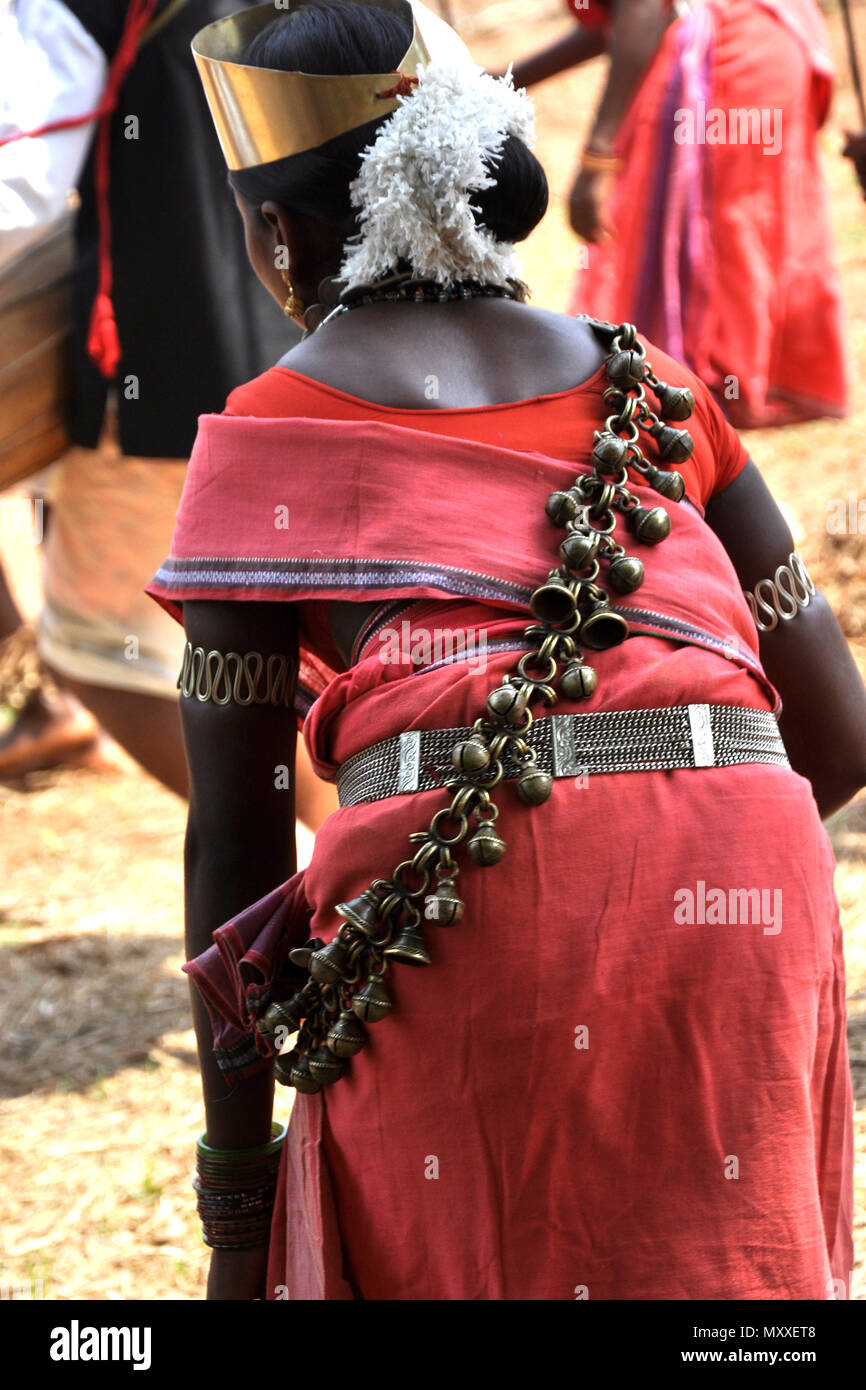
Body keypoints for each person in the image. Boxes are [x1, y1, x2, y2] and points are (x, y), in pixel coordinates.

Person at [147, 0, 865, 1300]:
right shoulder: (653, 381)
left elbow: (237, 843)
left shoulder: (259, 438)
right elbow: (838, 732)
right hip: (749, 873)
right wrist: (658, 811)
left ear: (275, 232)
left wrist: (235, 1205)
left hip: (464, 901)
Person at [0, 0, 297, 793]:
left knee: (100, 650)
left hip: (166, 368)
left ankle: (338, 871)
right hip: (325, 353)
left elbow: (18, 179)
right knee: (286, 647)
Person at [510, 0, 848, 429]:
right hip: (768, 44)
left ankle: (700, 453)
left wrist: (599, 155)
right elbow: (619, 20)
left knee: (695, 270)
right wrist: (503, 78)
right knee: (720, 263)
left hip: (722, 64)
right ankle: (704, 447)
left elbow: (644, 9)